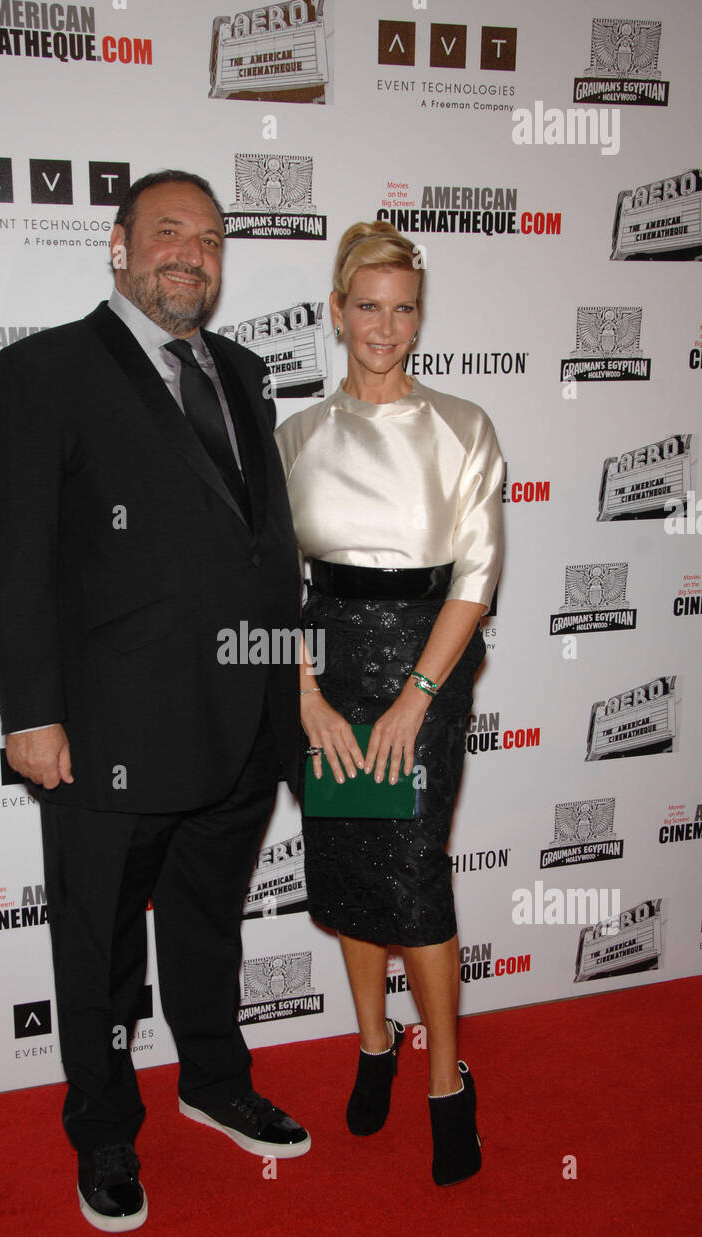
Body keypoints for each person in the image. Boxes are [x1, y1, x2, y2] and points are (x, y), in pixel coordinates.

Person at [0, 170, 310, 1233]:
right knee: (99, 948)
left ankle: (212, 1079)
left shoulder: (246, 372)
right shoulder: (43, 370)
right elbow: (13, 555)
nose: (190, 254)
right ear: (117, 246)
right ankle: (105, 1129)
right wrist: (29, 711)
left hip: (239, 721)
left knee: (211, 924)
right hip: (105, 731)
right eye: (167, 233)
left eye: (209, 239)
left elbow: (266, 550)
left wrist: (285, 680)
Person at [274, 221, 504, 1185]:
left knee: (411, 873)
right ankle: (375, 1044)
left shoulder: (463, 427)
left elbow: (475, 578)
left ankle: (446, 1078)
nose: (383, 325)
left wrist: (416, 695)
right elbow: (270, 585)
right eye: (365, 306)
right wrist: (307, 697)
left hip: (428, 670)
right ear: (336, 312)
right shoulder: (292, 435)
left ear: (419, 317)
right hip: (324, 678)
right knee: (349, 869)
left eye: (401, 308)